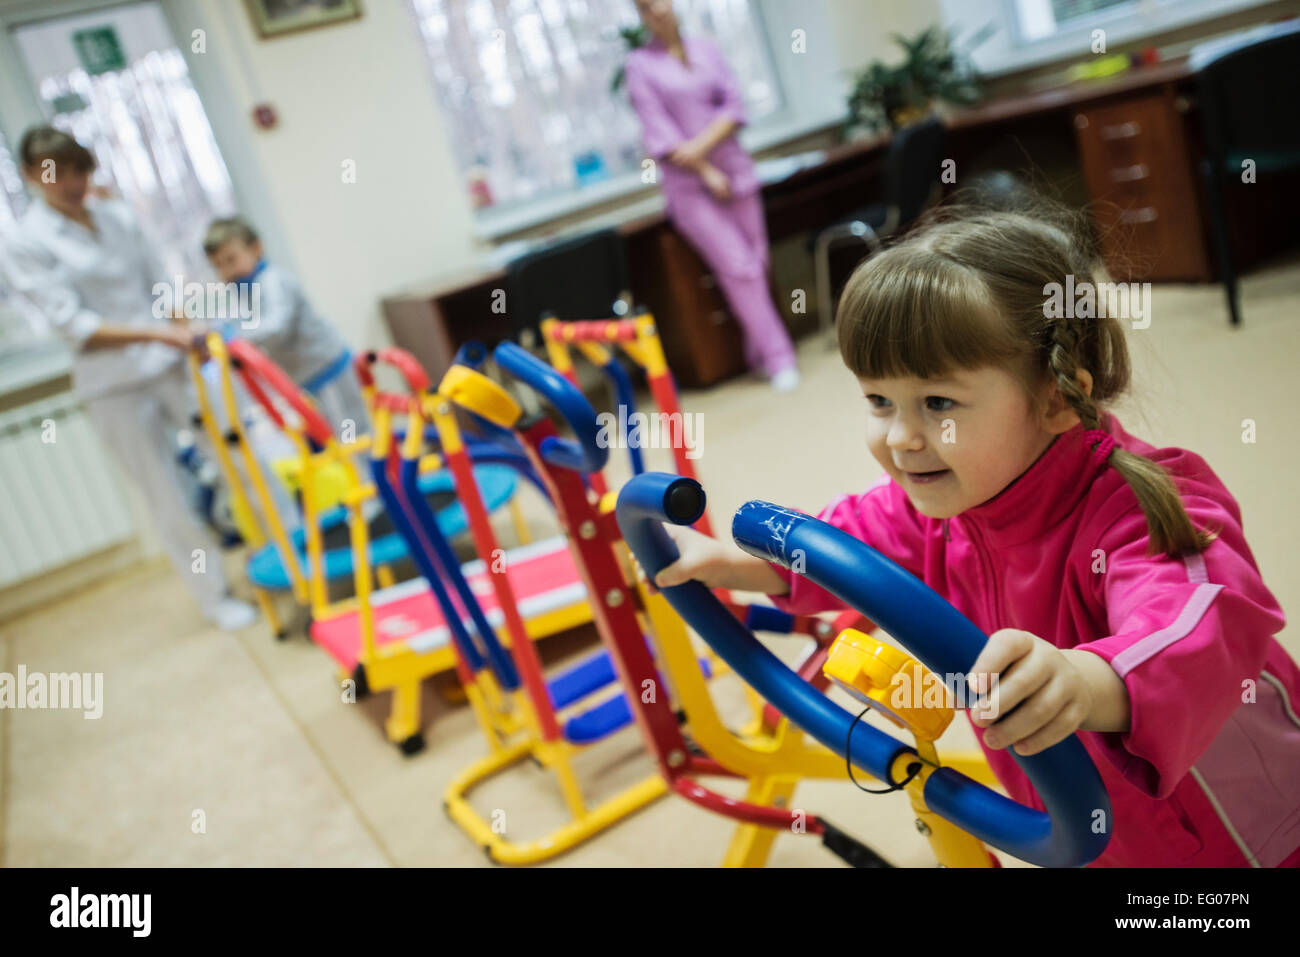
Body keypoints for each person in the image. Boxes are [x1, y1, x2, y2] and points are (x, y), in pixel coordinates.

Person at [654, 204, 1300, 867]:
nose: (900, 438)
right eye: (879, 401)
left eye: (938, 403)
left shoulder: (1142, 503)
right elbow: (848, 544)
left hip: (1243, 828)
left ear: (1053, 398)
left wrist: (1087, 677)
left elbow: (1199, 622)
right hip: (1096, 827)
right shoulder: (943, 504)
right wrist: (731, 562)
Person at [0, 127, 256, 630]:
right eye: (55, 173)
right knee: (167, 494)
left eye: (77, 169)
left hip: (171, 364)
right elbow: (74, 326)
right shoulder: (27, 241)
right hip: (112, 383)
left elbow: (159, 282)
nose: (70, 182)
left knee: (237, 453)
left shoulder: (115, 216)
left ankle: (284, 555)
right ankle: (214, 597)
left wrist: (183, 328)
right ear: (31, 175)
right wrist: (158, 335)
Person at [625, 0, 799, 391]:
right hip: (691, 189)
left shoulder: (707, 48)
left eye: (663, 2)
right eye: (649, 8)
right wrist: (704, 168)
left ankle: (756, 353)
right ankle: (779, 357)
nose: (661, 12)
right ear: (641, 16)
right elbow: (662, 135)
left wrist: (700, 148)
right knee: (740, 269)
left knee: (757, 263)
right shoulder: (639, 66)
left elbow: (736, 106)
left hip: (735, 171)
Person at [202, 217, 367, 437]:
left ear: (256, 249)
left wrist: (234, 337)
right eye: (218, 266)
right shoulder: (245, 291)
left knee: (352, 437)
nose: (227, 272)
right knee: (330, 440)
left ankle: (372, 472)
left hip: (327, 368)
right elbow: (242, 322)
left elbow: (275, 327)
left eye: (231, 260)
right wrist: (219, 332)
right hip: (304, 377)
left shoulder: (272, 281)